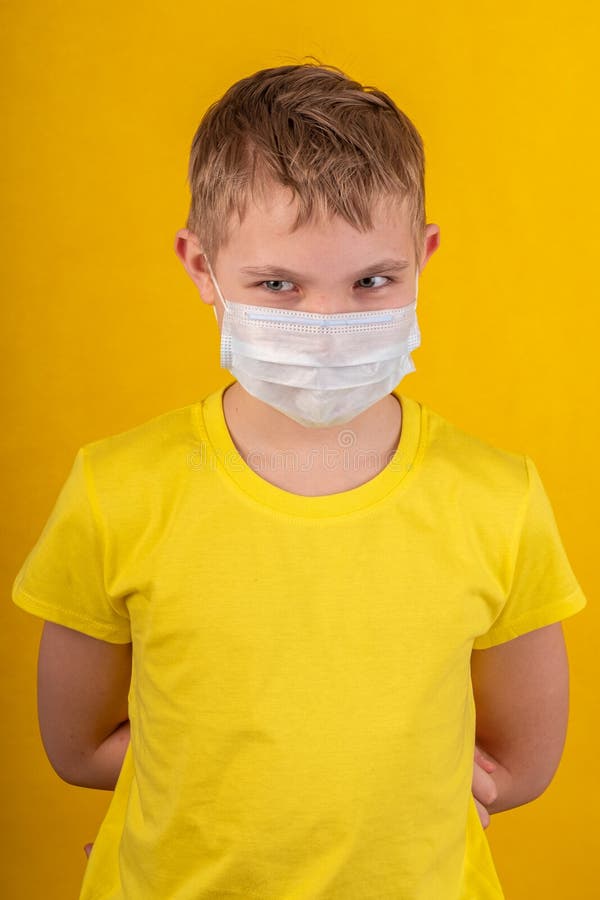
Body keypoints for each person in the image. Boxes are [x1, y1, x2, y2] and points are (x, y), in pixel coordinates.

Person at [12, 60, 587, 899]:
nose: (328, 326)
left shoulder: (497, 497)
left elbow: (520, 764)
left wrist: (396, 779)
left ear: (422, 258)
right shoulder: (117, 490)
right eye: (278, 284)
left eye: (371, 281)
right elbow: (77, 747)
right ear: (203, 268)